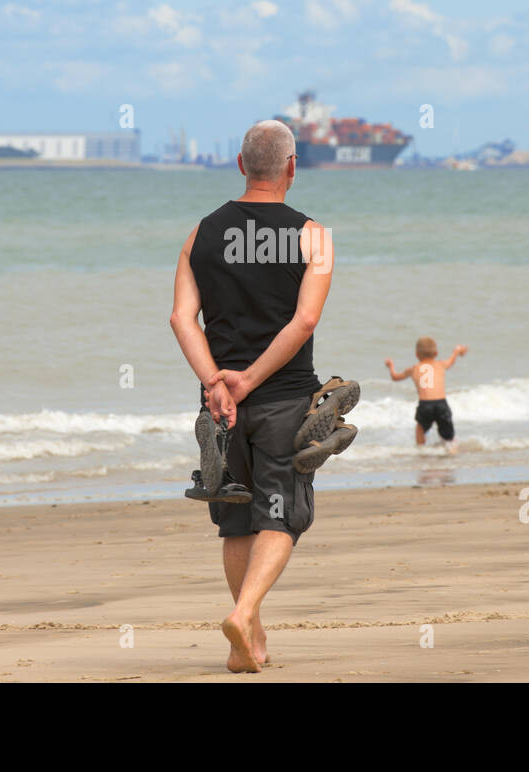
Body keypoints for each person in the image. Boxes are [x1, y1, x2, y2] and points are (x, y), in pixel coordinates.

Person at [169, 119, 334, 674]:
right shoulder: (314, 235)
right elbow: (305, 319)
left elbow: (180, 318)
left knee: (235, 516)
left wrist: (218, 380)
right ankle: (244, 618)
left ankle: (252, 640)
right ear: (292, 167)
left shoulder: (201, 232)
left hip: (220, 405)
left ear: (240, 165)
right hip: (285, 396)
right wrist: (251, 378)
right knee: (281, 516)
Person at [385, 338, 466, 450]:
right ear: (436, 353)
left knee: (420, 429)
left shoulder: (414, 369)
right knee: (449, 437)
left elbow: (395, 377)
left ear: (417, 354)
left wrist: (390, 365)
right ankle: (451, 450)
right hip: (441, 403)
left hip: (425, 405)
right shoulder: (441, 364)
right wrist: (457, 350)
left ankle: (421, 451)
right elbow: (451, 360)